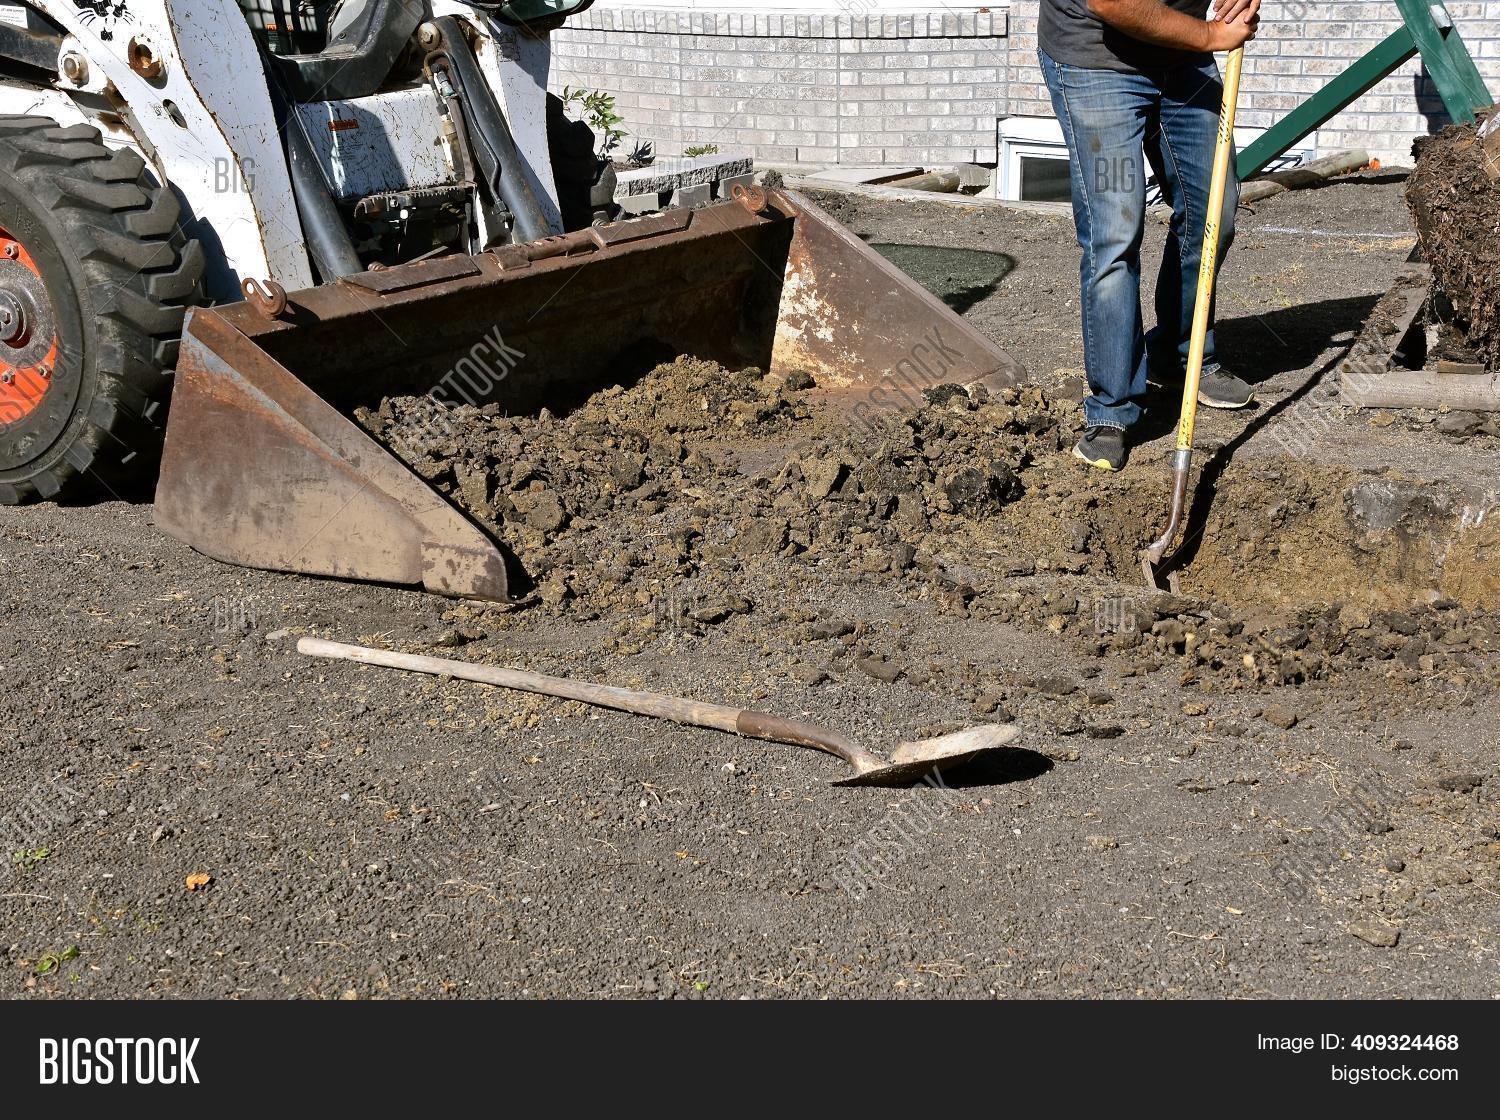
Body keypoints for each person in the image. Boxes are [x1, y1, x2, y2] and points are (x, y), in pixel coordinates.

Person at [1039, 0, 1261, 471]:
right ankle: (1112, 408)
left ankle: (1181, 352)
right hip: (1098, 63)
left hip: (1182, 59)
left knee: (1214, 215)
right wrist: (1207, 36)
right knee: (1115, 233)